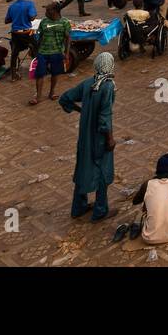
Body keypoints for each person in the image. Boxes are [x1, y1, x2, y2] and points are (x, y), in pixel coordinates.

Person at [58, 52, 117, 222]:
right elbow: (104, 118)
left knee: (83, 168)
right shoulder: (108, 86)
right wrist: (110, 139)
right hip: (99, 137)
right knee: (102, 172)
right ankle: (100, 210)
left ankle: (78, 207)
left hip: (84, 136)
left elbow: (65, 99)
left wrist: (82, 111)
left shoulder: (88, 83)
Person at [31, 2, 70, 106]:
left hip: (57, 52)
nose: (46, 12)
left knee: (55, 73)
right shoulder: (43, 22)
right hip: (43, 52)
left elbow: (68, 38)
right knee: (40, 74)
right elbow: (39, 36)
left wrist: (66, 53)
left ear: (56, 11)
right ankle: (38, 96)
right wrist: (36, 51)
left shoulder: (65, 22)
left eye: (48, 10)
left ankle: (52, 92)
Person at [4, 0, 37, 79]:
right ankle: (37, 69)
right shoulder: (30, 4)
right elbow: (31, 17)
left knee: (14, 53)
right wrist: (34, 15)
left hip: (15, 34)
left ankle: (14, 75)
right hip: (26, 34)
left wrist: (16, 17)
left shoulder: (12, 6)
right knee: (37, 48)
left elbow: (7, 20)